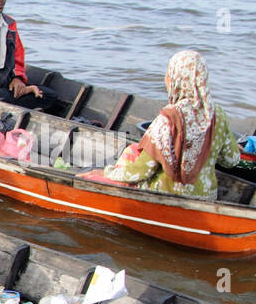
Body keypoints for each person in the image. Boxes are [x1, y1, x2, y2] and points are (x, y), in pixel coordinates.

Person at [89, 50, 240, 200]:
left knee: (131, 152)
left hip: (166, 196)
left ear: (175, 79)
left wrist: (107, 172)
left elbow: (141, 172)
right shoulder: (217, 115)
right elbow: (230, 160)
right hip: (207, 197)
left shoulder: (167, 120)